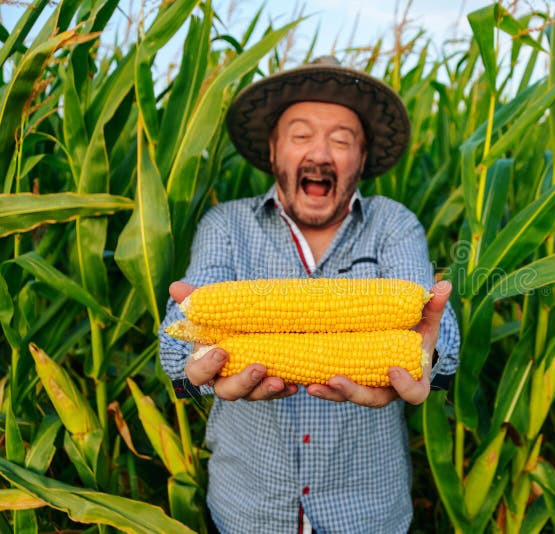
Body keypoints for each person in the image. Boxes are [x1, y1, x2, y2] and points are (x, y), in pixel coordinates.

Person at [158, 56, 460, 533]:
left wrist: (431, 354)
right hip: (248, 513)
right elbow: (179, 335)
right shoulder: (227, 226)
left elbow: (437, 335)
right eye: (301, 136)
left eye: (341, 140)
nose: (320, 154)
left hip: (366, 515)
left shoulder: (393, 225)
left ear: (361, 159)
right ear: (274, 149)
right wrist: (192, 365)